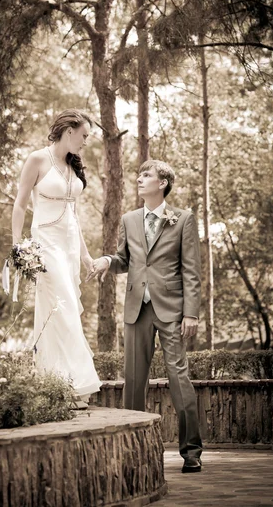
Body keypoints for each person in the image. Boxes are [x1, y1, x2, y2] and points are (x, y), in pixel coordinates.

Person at [87, 159, 203, 472]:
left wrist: (190, 314)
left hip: (172, 311)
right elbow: (126, 259)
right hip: (137, 309)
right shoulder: (129, 219)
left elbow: (191, 270)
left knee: (179, 378)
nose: (139, 179)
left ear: (163, 183)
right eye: (139, 174)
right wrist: (108, 261)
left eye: (147, 175)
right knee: (134, 382)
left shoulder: (182, 219)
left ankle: (191, 452)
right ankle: (131, 451)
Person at [12, 109, 101, 407]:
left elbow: (73, 216)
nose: (86, 142)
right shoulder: (38, 159)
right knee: (63, 307)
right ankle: (79, 384)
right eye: (84, 135)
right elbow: (21, 204)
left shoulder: (72, 165)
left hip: (69, 246)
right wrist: (18, 247)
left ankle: (55, 385)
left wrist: (87, 257)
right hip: (45, 245)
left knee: (60, 313)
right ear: (69, 130)